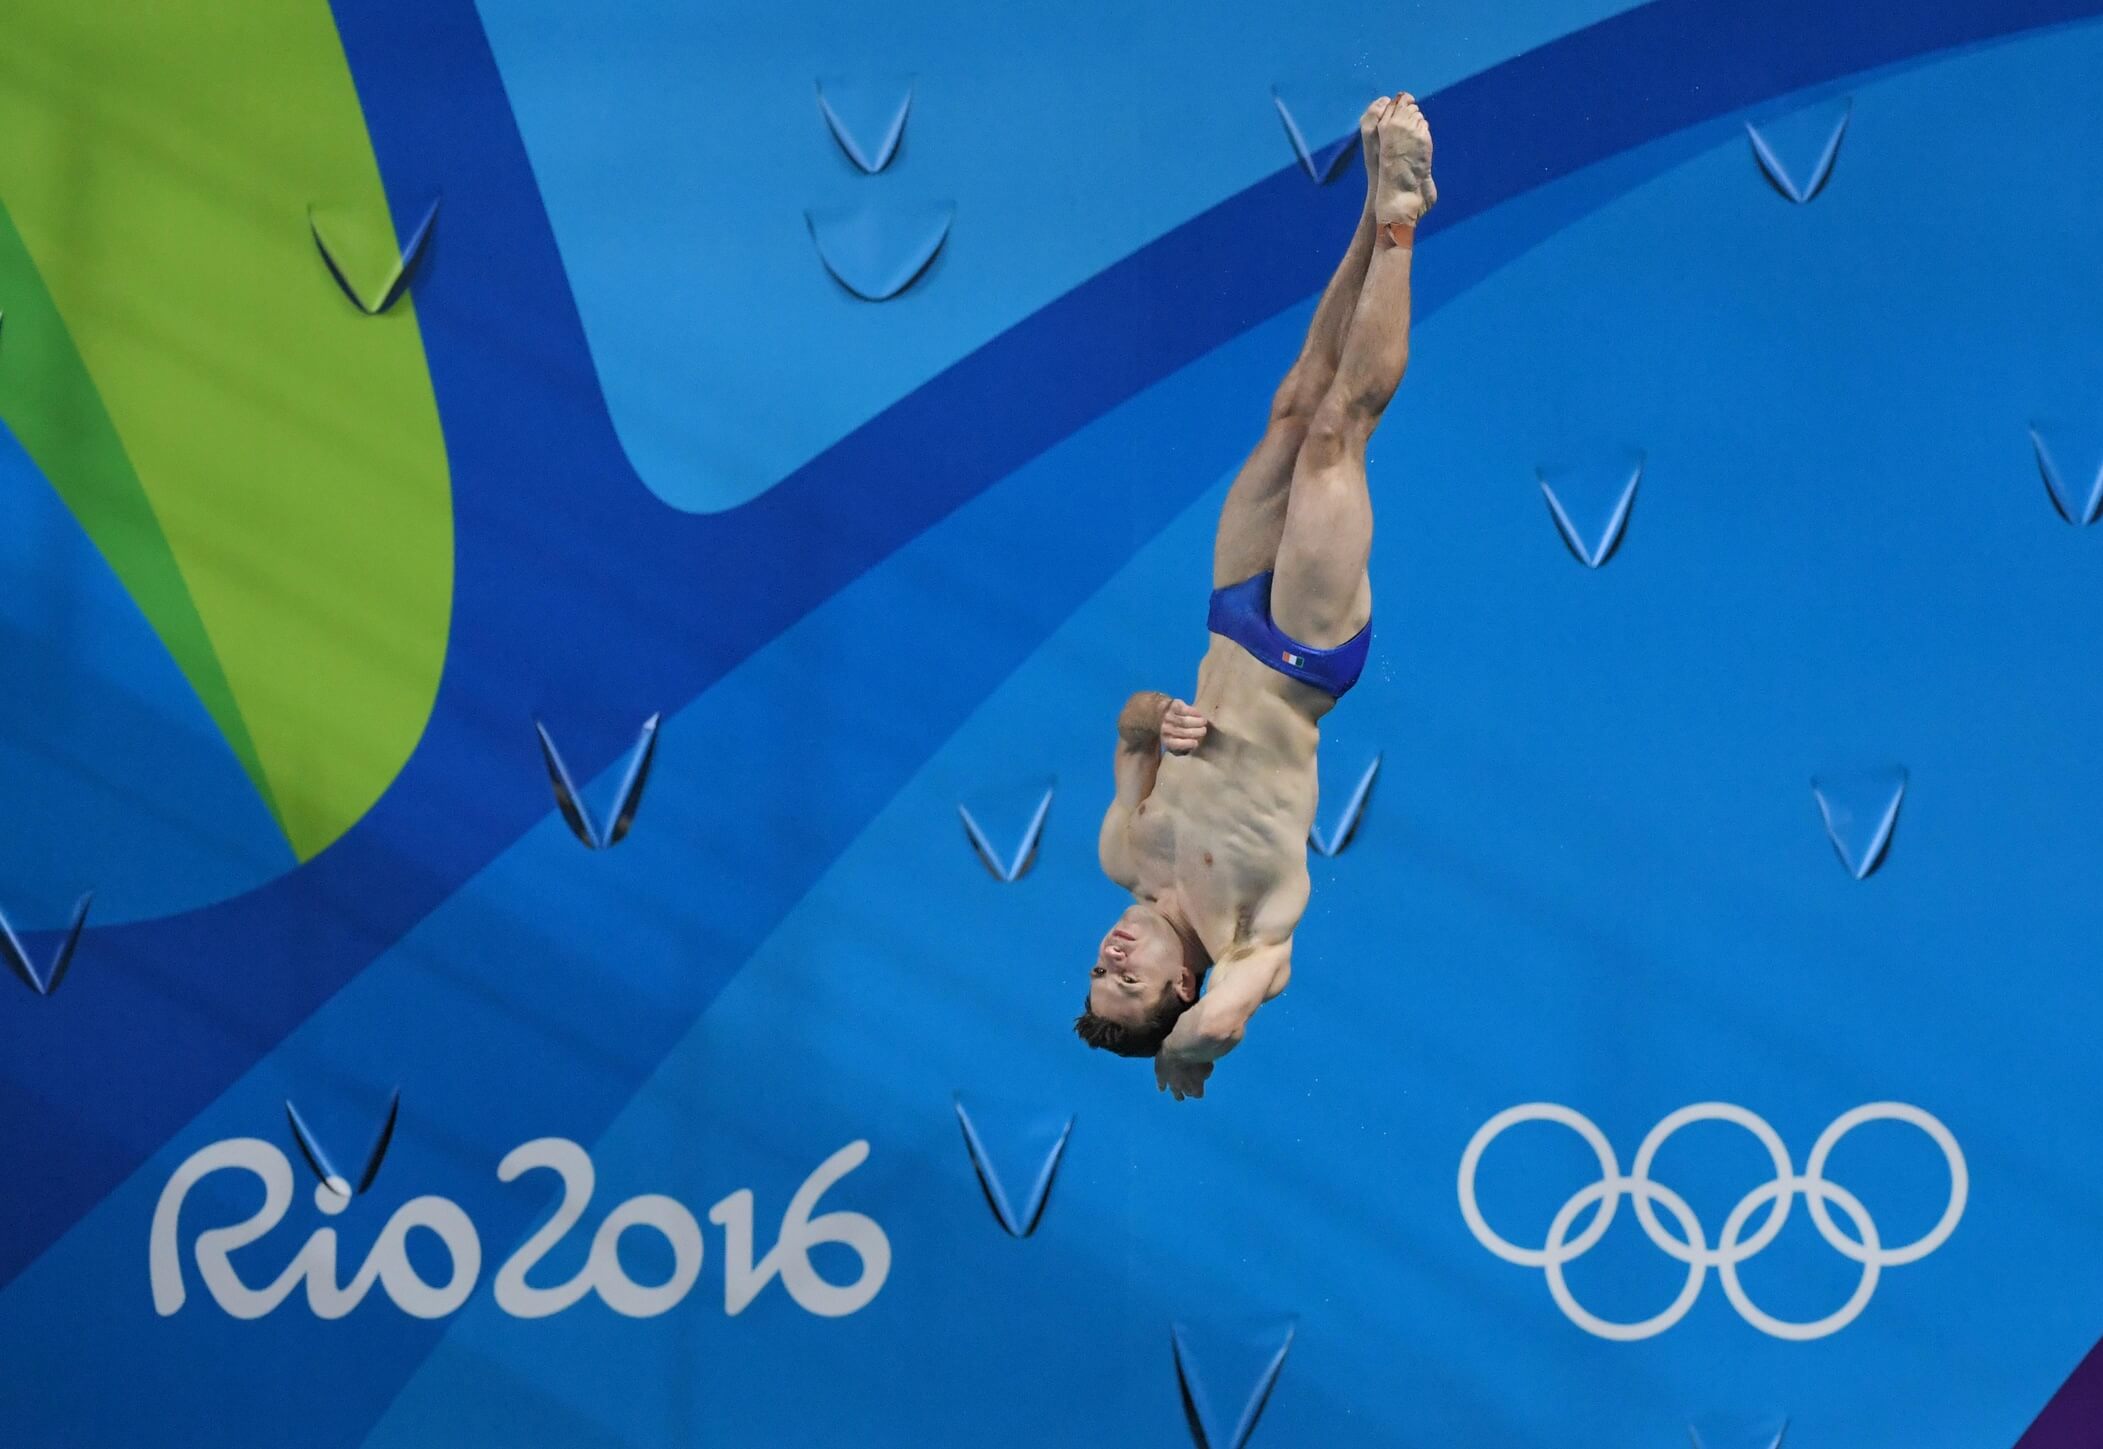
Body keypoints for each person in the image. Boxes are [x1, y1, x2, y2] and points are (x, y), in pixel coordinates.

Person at [1073, 92, 1435, 1100]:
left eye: (1096, 973)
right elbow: (1228, 1019)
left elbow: (1131, 725)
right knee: (1336, 435)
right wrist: (1186, 1051)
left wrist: (1160, 715)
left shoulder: (1123, 850)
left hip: (1229, 622)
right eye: (1127, 984)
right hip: (1303, 660)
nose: (1111, 958)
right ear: (1180, 987)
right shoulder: (1245, 944)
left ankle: (1374, 207)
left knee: (1291, 405)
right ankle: (1401, 220)